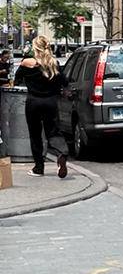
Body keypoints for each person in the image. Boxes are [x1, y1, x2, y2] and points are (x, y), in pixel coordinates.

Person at [17, 35, 68, 178]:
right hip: (50, 102)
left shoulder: (27, 63)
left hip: (33, 102)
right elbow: (64, 82)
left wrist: (25, 57)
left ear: (35, 48)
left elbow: (17, 78)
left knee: (35, 135)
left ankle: (39, 168)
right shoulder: (54, 63)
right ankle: (61, 154)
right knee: (53, 132)